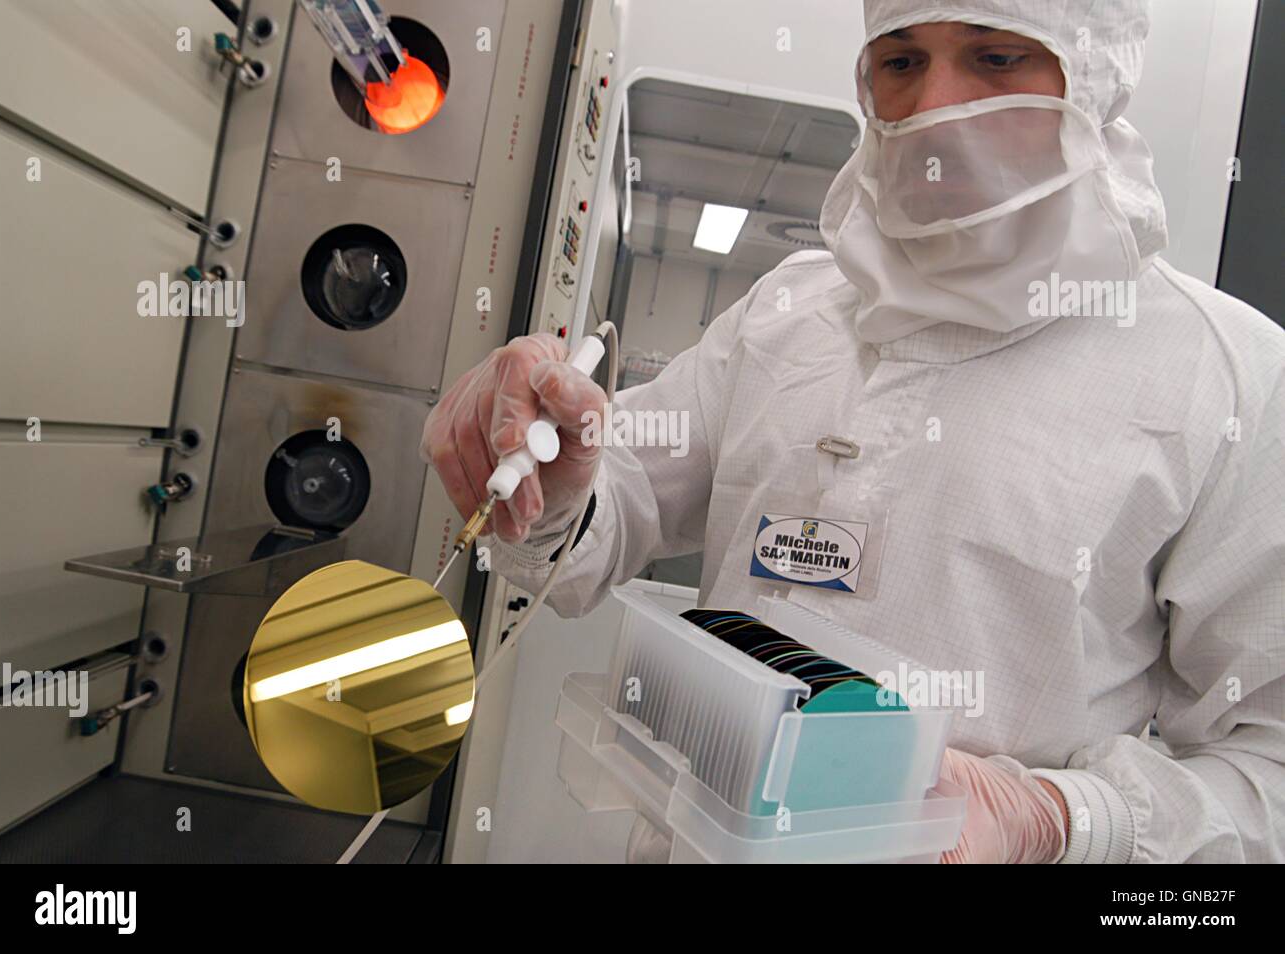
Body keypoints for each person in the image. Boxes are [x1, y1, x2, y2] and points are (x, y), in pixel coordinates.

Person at [421, 0, 1284, 863]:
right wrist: (561, 480)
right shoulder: (789, 309)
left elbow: (1269, 769)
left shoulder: (1227, 379)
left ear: (1089, 75)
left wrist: (1062, 823)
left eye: (995, 57)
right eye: (901, 62)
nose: (937, 106)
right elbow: (615, 498)